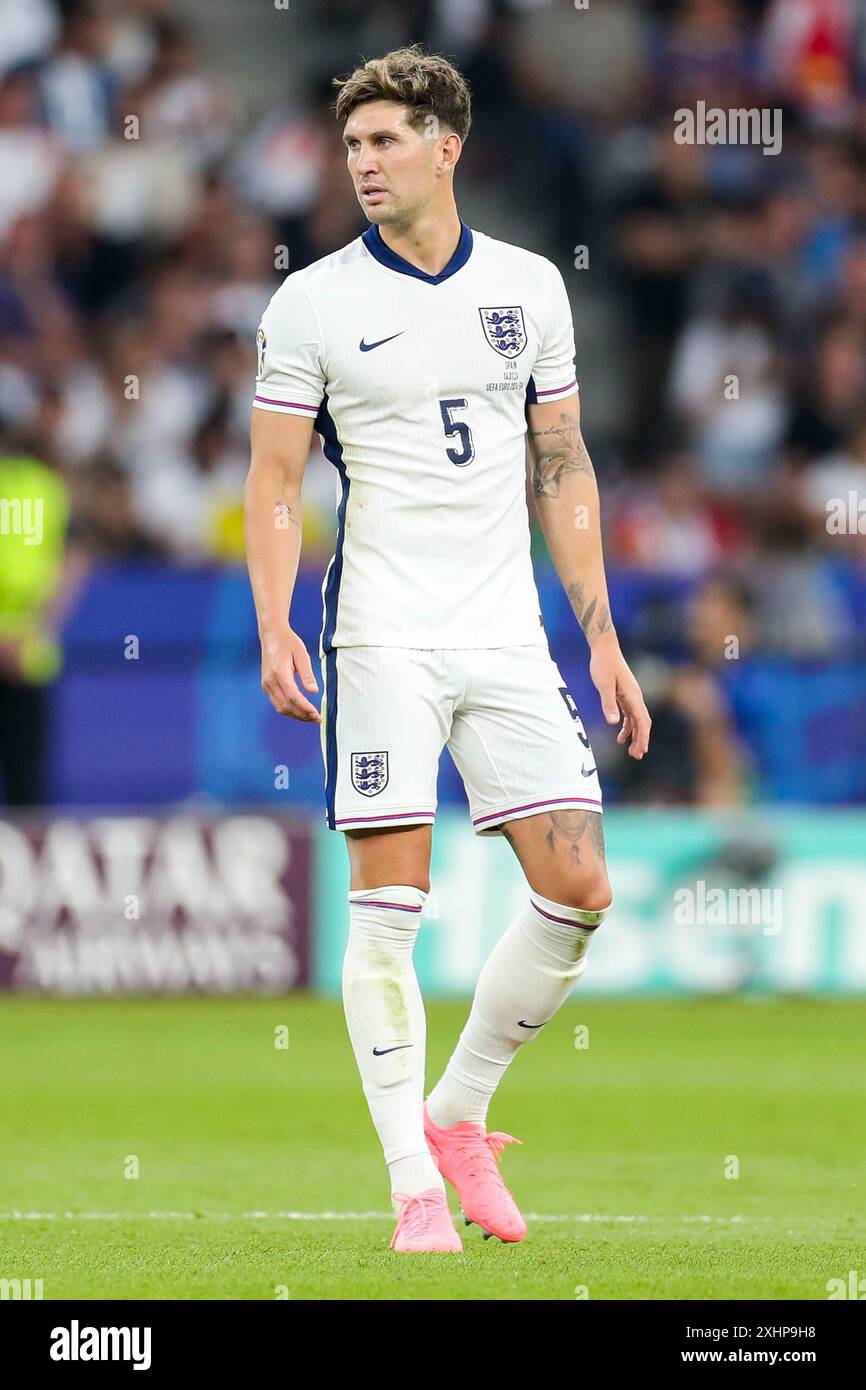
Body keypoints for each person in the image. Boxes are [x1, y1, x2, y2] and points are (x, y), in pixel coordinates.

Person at [244, 45, 651, 1254]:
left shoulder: (529, 288)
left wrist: (602, 631)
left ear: (445, 146)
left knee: (578, 886)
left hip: (506, 633)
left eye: (385, 141)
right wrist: (274, 616)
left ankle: (458, 1114)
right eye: (352, 143)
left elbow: (562, 465)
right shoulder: (310, 301)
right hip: (378, 632)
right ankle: (410, 1186)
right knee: (385, 918)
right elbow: (272, 479)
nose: (363, 162)